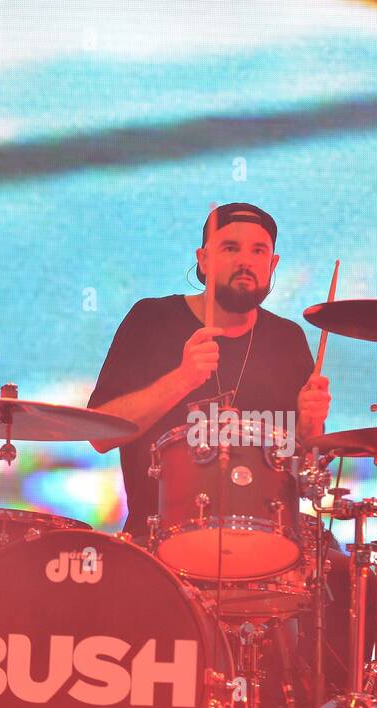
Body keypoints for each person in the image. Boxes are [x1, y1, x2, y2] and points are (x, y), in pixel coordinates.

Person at [87, 202, 331, 538]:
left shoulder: (288, 339)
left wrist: (310, 427)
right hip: (159, 548)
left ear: (272, 264)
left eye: (258, 251)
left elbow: (306, 478)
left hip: (264, 554)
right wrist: (182, 378)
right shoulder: (152, 320)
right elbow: (100, 436)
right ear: (203, 259)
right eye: (230, 248)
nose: (245, 260)